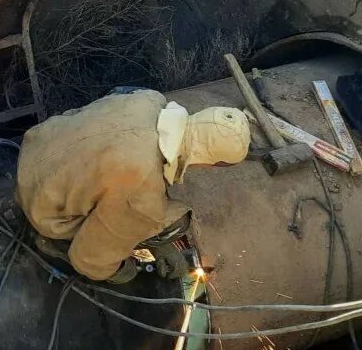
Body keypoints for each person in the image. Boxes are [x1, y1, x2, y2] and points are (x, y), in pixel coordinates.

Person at [15, 89, 251, 282]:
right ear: (208, 161)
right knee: (174, 222)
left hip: (35, 150)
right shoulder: (142, 188)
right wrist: (119, 271)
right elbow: (88, 258)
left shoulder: (148, 99)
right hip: (44, 210)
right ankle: (56, 243)